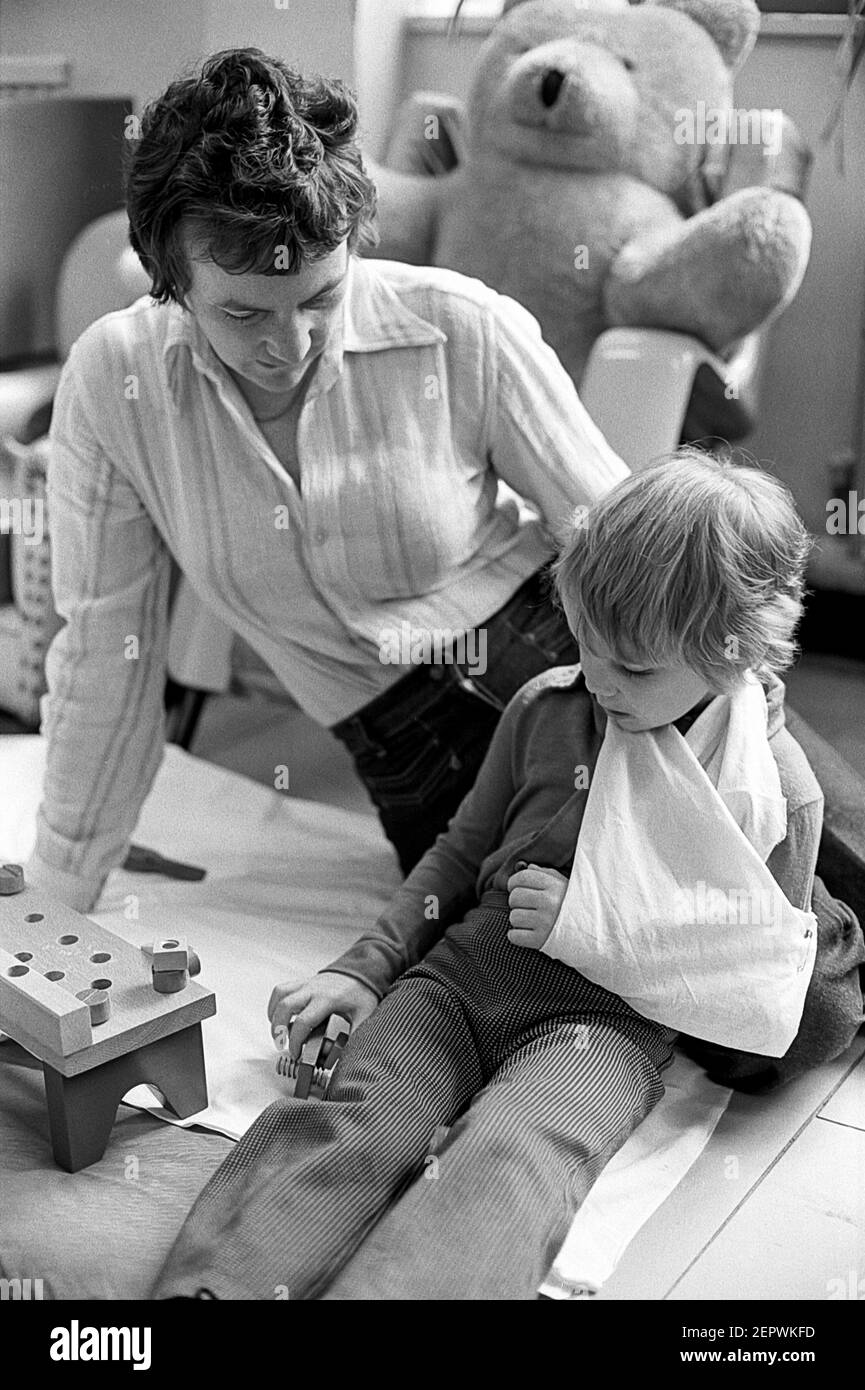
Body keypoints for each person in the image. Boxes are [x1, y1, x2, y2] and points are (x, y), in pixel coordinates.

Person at [152, 453, 864, 1302]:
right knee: (351, 1124)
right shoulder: (547, 708)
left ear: (732, 654)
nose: (599, 679)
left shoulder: (774, 793)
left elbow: (746, 966)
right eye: (585, 645)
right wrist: (363, 967)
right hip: (459, 982)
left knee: (507, 1162)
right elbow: (456, 854)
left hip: (600, 1027)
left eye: (632, 667)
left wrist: (595, 917)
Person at [26, 47, 627, 912]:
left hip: (583, 660)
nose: (293, 345)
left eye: (320, 298)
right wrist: (58, 894)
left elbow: (621, 537)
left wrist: (727, 694)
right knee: (593, 961)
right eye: (243, 312)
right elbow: (105, 653)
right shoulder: (117, 384)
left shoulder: (461, 326)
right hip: (414, 757)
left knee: (808, 880)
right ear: (171, 282)